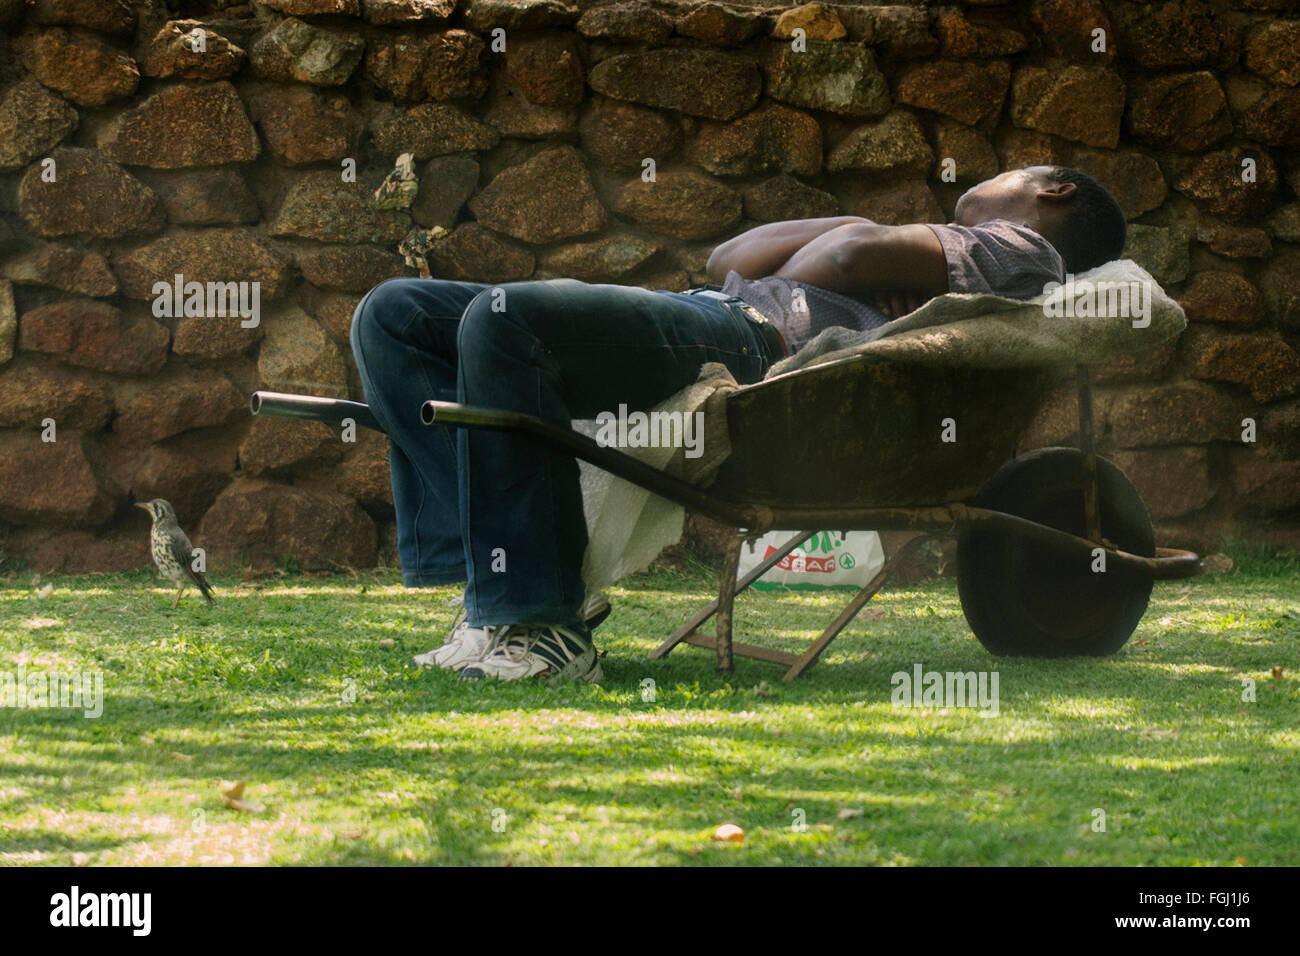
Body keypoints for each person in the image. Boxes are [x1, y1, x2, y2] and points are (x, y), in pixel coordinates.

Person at [349, 165, 1127, 683]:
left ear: (1052, 190)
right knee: (393, 314)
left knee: (501, 315)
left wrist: (861, 251)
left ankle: (543, 620)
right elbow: (734, 252)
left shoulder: (1023, 250)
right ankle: (501, 589)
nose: (988, 176)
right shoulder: (945, 247)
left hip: (748, 342)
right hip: (717, 310)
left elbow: (847, 259)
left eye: (1012, 169)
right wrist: (861, 237)